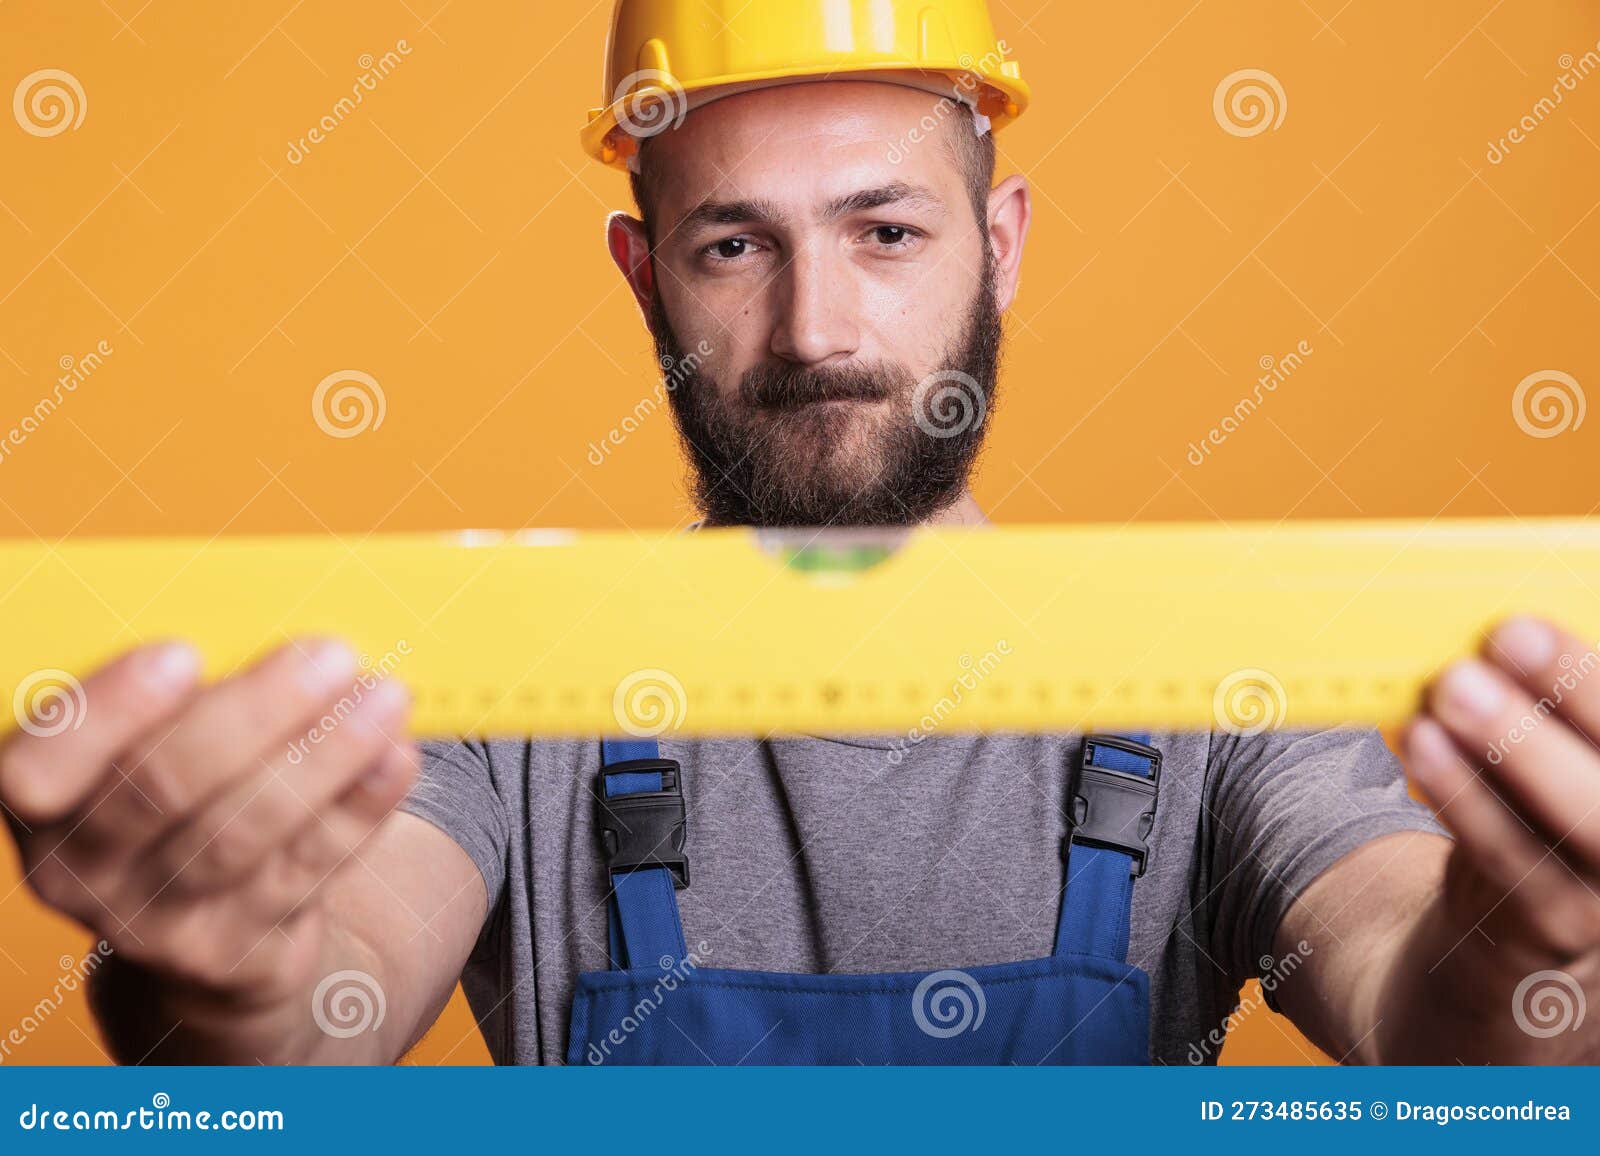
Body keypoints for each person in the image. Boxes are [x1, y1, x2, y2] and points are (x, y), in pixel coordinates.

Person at [4, 0, 1598, 1065]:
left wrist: (1542, 947)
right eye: (732, 245)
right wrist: (212, 972)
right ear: (642, 273)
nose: (817, 328)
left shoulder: (1202, 689)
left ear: (1002, 240)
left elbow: (1420, 992)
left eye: (886, 231)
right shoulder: (511, 698)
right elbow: (317, 1017)